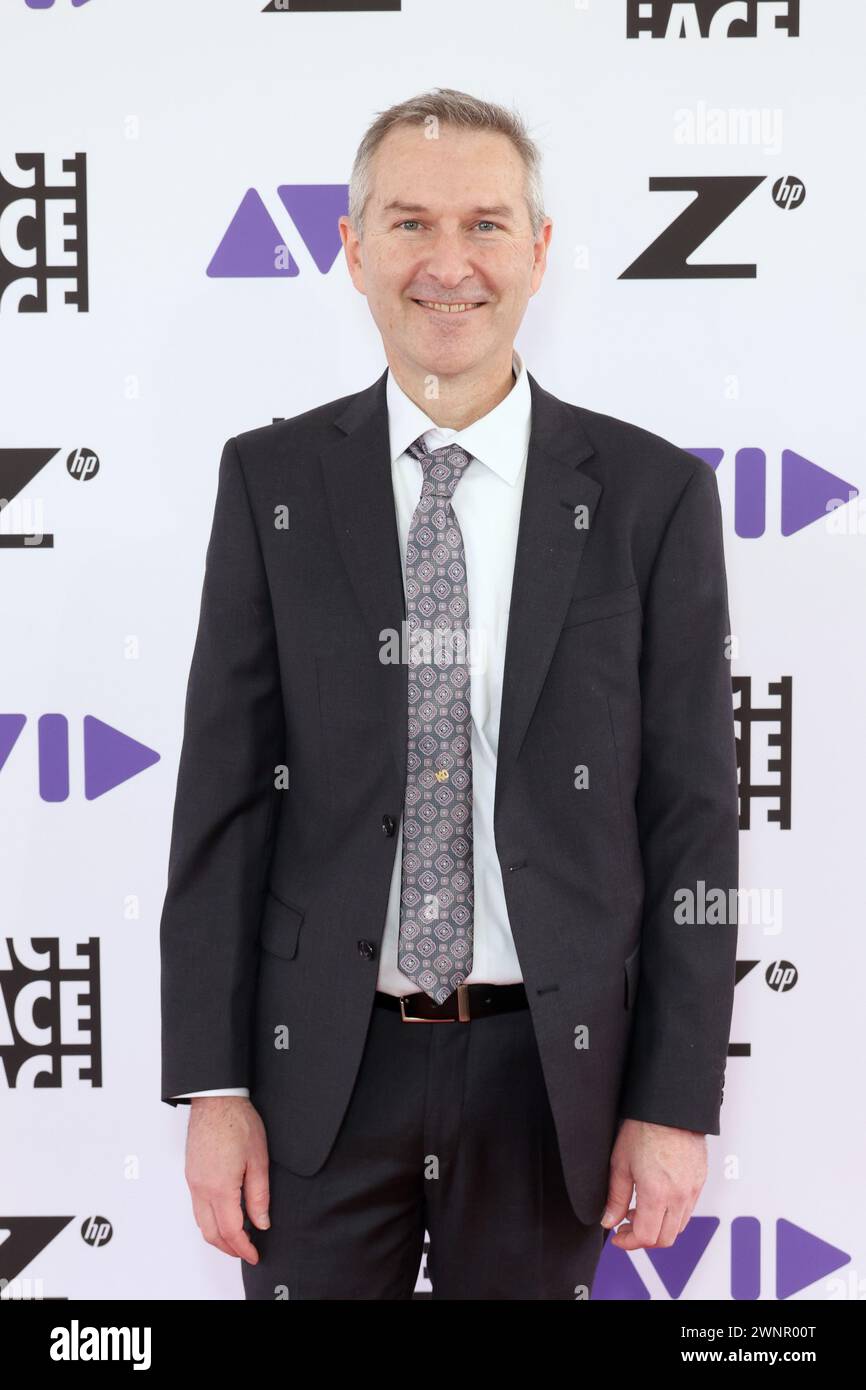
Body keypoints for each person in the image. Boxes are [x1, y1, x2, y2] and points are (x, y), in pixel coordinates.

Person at [160, 87, 739, 1300]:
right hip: (319, 1071)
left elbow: (692, 819)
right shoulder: (270, 480)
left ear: (535, 253)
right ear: (352, 248)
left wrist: (673, 1103)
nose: (447, 264)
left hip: (552, 1077)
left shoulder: (648, 498)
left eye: (484, 225)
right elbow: (224, 796)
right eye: (410, 223)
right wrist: (213, 1087)